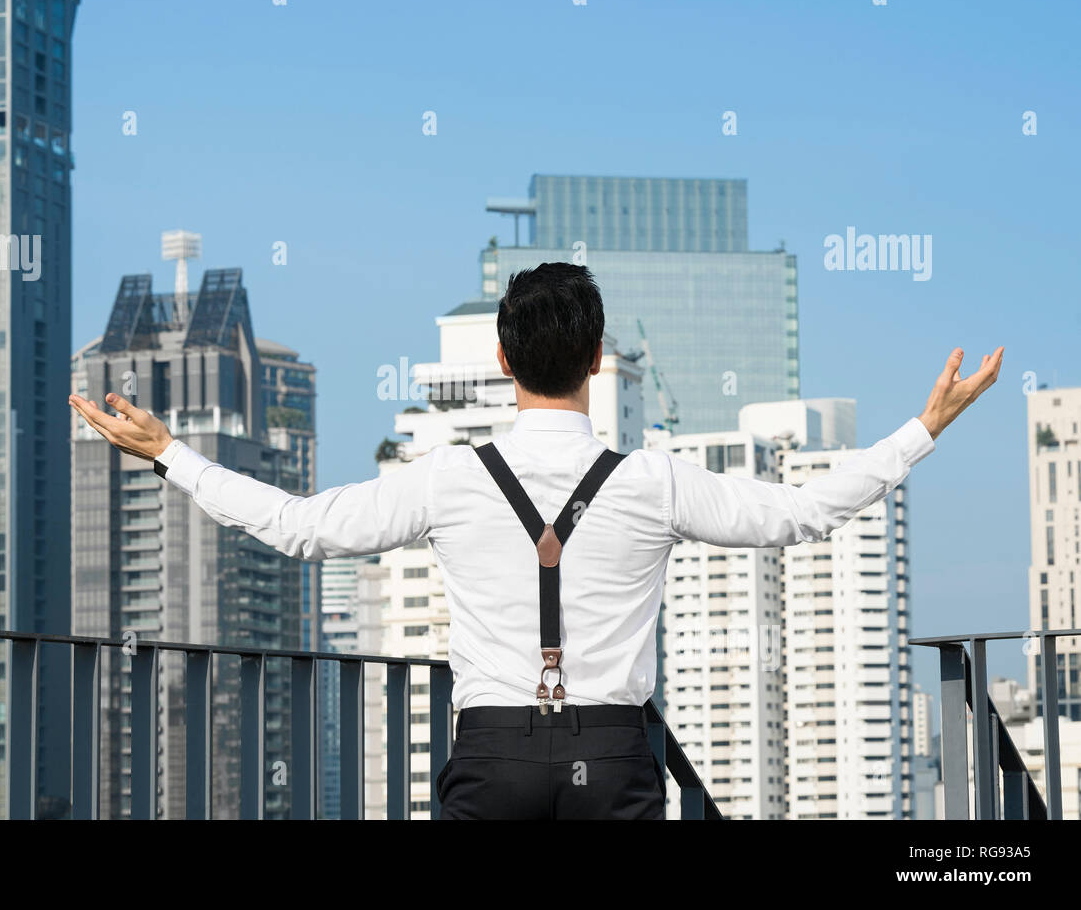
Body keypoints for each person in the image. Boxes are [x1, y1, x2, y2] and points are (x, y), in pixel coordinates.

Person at [69, 262, 1003, 820]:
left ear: (504, 361)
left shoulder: (449, 476)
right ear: (599, 359)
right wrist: (923, 427)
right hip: (614, 756)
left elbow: (301, 528)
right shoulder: (651, 478)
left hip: (494, 759)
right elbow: (798, 514)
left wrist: (171, 454)